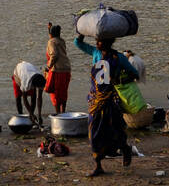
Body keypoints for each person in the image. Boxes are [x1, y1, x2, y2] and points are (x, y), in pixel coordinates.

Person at [75, 35, 136, 176]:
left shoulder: (118, 57)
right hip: (95, 99)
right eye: (96, 41)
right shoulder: (95, 53)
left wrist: (118, 79)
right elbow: (77, 43)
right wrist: (81, 32)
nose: (97, 43)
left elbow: (134, 74)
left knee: (114, 129)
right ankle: (98, 166)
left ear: (108, 42)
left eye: (100, 41)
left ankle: (125, 148)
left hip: (109, 99)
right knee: (94, 130)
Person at [43, 23, 72, 114]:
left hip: (57, 70)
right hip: (66, 69)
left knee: (54, 93)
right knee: (63, 92)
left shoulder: (51, 42)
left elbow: (54, 55)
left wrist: (48, 67)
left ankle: (58, 114)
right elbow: (53, 38)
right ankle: (63, 112)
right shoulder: (61, 41)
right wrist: (49, 29)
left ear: (51, 34)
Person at [12, 60, 47, 127]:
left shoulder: (41, 79)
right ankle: (21, 119)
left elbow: (39, 98)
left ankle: (32, 118)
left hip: (29, 71)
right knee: (18, 97)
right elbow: (25, 100)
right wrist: (31, 114)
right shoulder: (26, 83)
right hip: (17, 75)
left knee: (33, 97)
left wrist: (39, 115)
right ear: (34, 86)